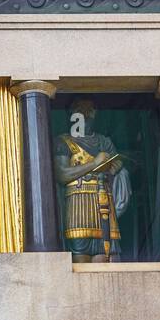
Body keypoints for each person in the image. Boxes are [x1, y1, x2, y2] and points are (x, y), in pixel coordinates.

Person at [53, 98, 131, 263]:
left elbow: (115, 165)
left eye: (87, 115)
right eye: (78, 115)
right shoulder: (64, 141)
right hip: (77, 205)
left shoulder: (104, 142)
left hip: (103, 201)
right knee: (80, 255)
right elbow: (62, 174)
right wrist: (94, 163)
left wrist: (113, 167)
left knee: (106, 254)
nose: (83, 119)